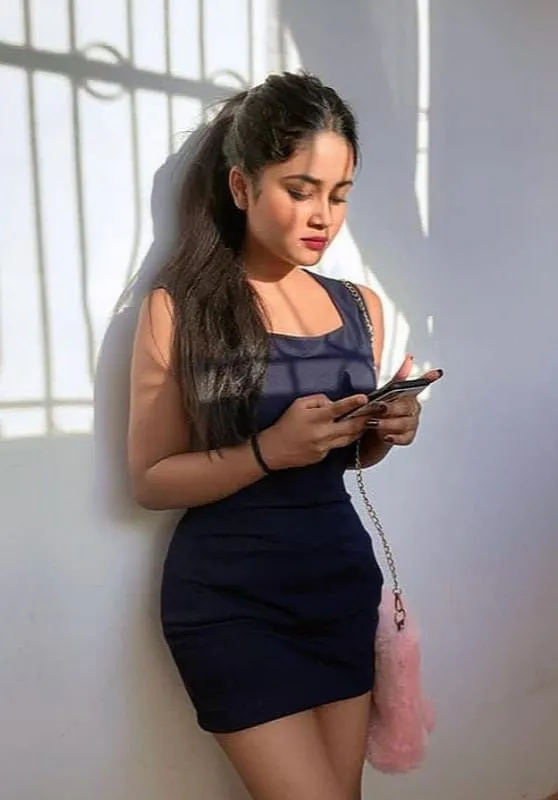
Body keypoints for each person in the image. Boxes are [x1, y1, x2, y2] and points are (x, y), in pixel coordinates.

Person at [127, 71, 439, 800]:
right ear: (241, 186)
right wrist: (268, 450)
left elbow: (341, 457)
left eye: (339, 194)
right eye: (300, 190)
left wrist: (386, 428)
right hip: (230, 602)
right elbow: (151, 479)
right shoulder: (181, 309)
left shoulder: (359, 306)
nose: (322, 216)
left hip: (338, 585)